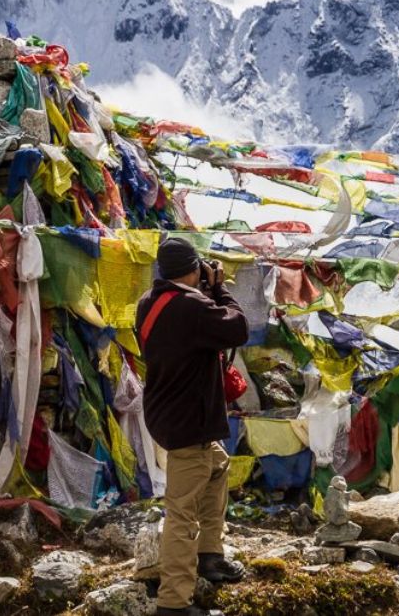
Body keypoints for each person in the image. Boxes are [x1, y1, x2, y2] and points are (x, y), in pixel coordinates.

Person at [136, 238, 249, 616]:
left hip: (165, 414)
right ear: (194, 268)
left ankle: (210, 555)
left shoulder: (149, 303)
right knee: (181, 513)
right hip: (190, 421)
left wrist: (204, 290)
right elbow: (238, 329)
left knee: (217, 466)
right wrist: (219, 288)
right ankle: (173, 602)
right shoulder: (194, 305)